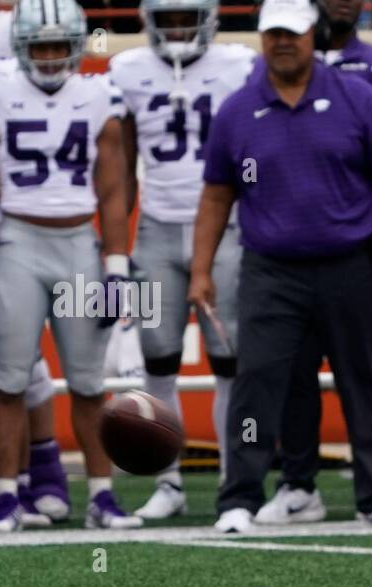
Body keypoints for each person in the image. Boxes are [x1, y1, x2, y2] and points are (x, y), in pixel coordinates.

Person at [198, 0, 372, 534]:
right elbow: (216, 197)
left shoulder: (357, 97)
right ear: (262, 39)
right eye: (273, 34)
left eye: (293, 33)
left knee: (365, 379)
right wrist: (200, 271)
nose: (283, 42)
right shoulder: (238, 109)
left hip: (353, 263)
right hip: (271, 269)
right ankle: (240, 496)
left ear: (313, 34)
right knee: (259, 381)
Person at [0, 0, 142, 532]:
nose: (52, 56)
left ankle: (103, 497)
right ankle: (8, 497)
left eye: (61, 46)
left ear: (78, 44)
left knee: (88, 382)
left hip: (80, 246)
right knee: (9, 380)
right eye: (41, 46)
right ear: (21, 46)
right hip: (18, 243)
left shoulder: (99, 92)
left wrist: (116, 267)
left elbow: (112, 193)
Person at [257, 0, 372, 526]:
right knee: (292, 375)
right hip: (285, 255)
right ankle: (297, 483)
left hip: (359, 246)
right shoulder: (270, 72)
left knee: (364, 376)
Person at [110, 0, 256, 521]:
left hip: (223, 230)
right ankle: (167, 483)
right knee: (157, 357)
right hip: (156, 228)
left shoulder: (239, 64)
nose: (176, 28)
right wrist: (114, 244)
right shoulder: (127, 70)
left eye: (184, 17)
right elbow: (123, 165)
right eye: (166, 18)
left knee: (228, 361)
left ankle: (230, 480)